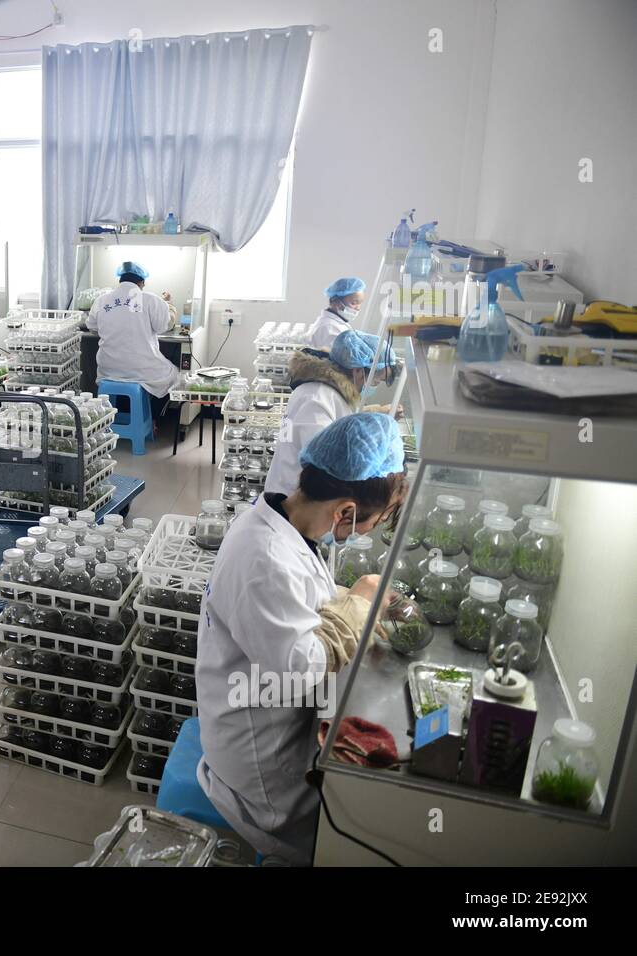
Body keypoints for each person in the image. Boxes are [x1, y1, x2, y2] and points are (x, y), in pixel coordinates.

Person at [194, 412, 408, 864]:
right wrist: (357, 604)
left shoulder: (285, 522)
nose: (367, 532)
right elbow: (301, 668)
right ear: (345, 511)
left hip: (268, 718)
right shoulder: (265, 556)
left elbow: (304, 602)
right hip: (259, 761)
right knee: (334, 840)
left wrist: (354, 600)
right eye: (373, 522)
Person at [265, 329, 400, 496]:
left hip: (298, 490)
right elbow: (324, 462)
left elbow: (337, 421)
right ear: (358, 370)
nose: (373, 386)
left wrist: (375, 413)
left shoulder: (327, 392)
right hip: (292, 494)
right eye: (375, 381)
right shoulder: (316, 399)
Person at [86, 261, 183, 417]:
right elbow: (165, 325)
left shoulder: (102, 300)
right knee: (176, 377)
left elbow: (91, 325)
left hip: (108, 368)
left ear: (120, 280)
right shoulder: (151, 299)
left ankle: (123, 413)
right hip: (141, 367)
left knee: (140, 376)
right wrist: (169, 304)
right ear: (142, 282)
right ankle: (153, 418)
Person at [307, 276, 366, 350]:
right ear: (337, 303)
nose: (358, 308)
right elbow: (341, 356)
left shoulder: (336, 323)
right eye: (354, 303)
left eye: (360, 303)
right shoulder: (329, 327)